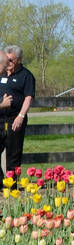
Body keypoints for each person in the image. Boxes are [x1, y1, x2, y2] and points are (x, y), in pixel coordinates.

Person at [0, 46, 35, 186]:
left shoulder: (26, 75)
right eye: (6, 59)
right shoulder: (1, 73)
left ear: (19, 60)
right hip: (0, 118)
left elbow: (28, 97)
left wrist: (21, 115)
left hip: (15, 118)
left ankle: (11, 185)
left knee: (13, 154)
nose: (7, 62)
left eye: (11, 60)